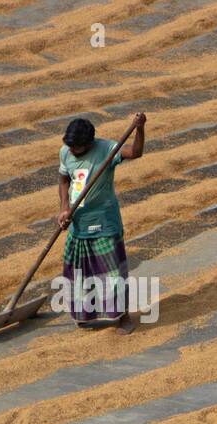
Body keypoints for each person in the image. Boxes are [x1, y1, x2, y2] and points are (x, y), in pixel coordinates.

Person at [57, 113, 145, 334]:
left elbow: (135, 152)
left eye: (76, 147)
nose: (71, 150)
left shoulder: (107, 149)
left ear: (89, 143)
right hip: (78, 225)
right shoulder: (65, 152)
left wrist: (139, 128)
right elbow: (64, 179)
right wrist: (64, 208)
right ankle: (85, 314)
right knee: (78, 273)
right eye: (69, 145)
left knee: (112, 274)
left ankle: (121, 316)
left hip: (104, 223)